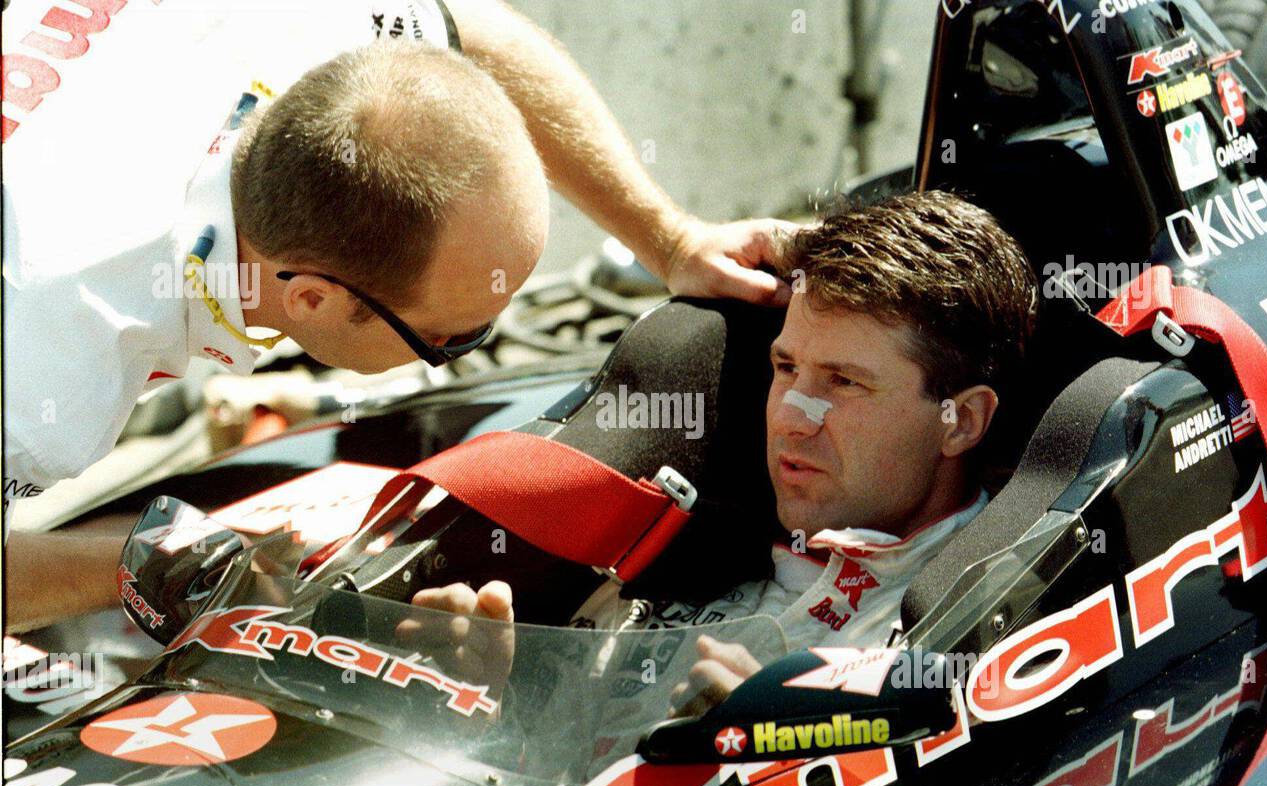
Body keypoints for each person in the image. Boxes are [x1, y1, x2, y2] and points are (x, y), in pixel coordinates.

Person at [1, 0, 793, 632]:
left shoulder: (299, 24)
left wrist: (672, 238)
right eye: (454, 338)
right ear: (312, 298)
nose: (480, 342)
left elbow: (468, 32)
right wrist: (145, 565)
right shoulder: (51, 374)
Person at [409, 190, 1039, 720]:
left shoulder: (983, 636)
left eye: (845, 382)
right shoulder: (689, 529)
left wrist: (770, 764)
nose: (792, 414)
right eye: (785, 366)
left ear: (961, 422)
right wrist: (497, 695)